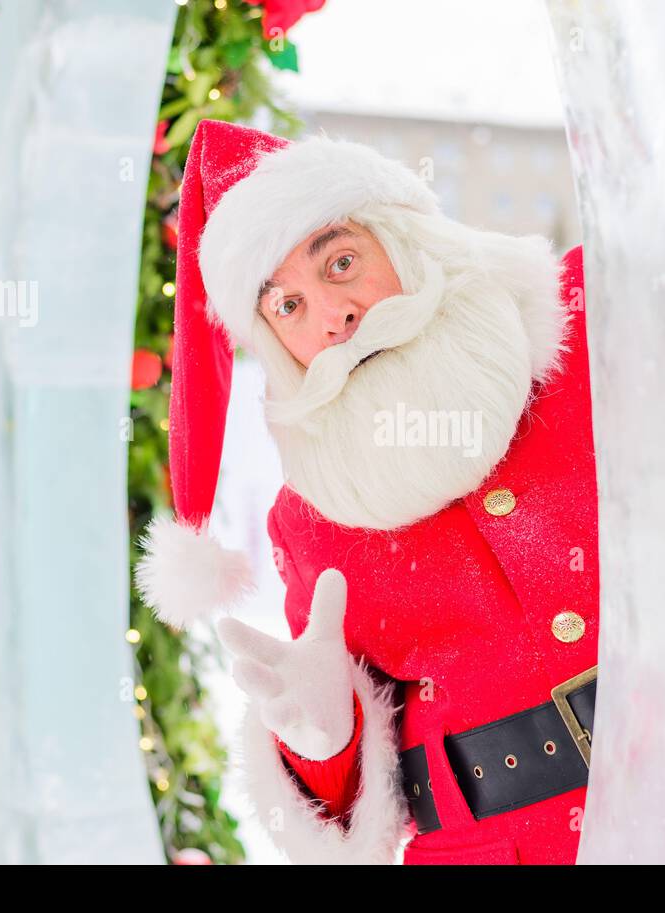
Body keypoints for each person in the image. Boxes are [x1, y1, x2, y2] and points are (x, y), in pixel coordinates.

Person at [136, 119, 599, 865]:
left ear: (403, 239)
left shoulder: (585, 319)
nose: (334, 316)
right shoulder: (308, 523)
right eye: (285, 307)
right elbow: (351, 803)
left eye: (341, 262)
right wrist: (329, 739)